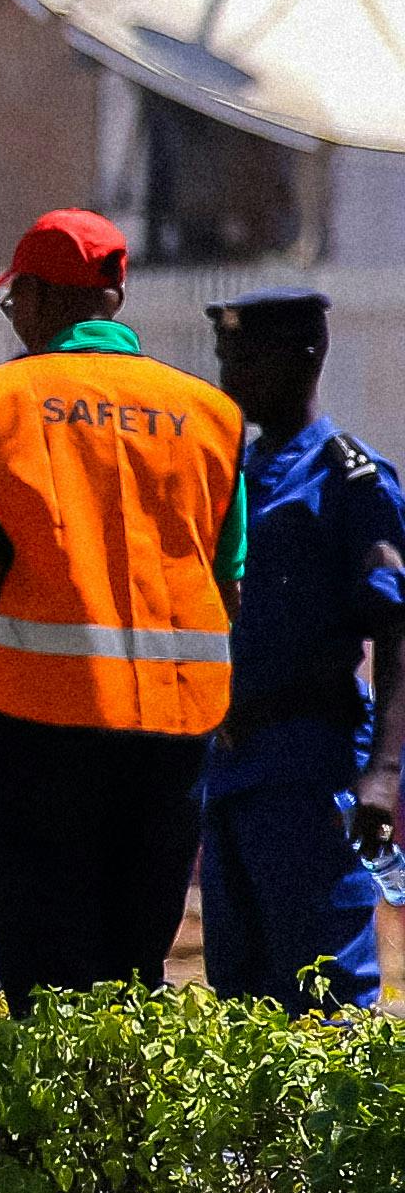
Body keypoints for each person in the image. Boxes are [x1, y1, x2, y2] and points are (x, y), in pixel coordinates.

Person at [0, 206, 247, 997]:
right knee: (134, 962)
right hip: (173, 726)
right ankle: (126, 1113)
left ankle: (55, 1119)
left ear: (37, 296)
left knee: (46, 966)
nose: (14, 315)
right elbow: (228, 580)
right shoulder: (207, 417)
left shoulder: (3, 398)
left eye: (14, 300)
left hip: (37, 717)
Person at [191, 290, 402, 1011]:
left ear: (308, 356)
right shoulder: (231, 476)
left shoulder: (352, 481)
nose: (231, 377)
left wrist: (383, 777)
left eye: (247, 359)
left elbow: (396, 633)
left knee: (326, 994)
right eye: (225, 359)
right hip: (229, 767)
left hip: (310, 770)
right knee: (237, 992)